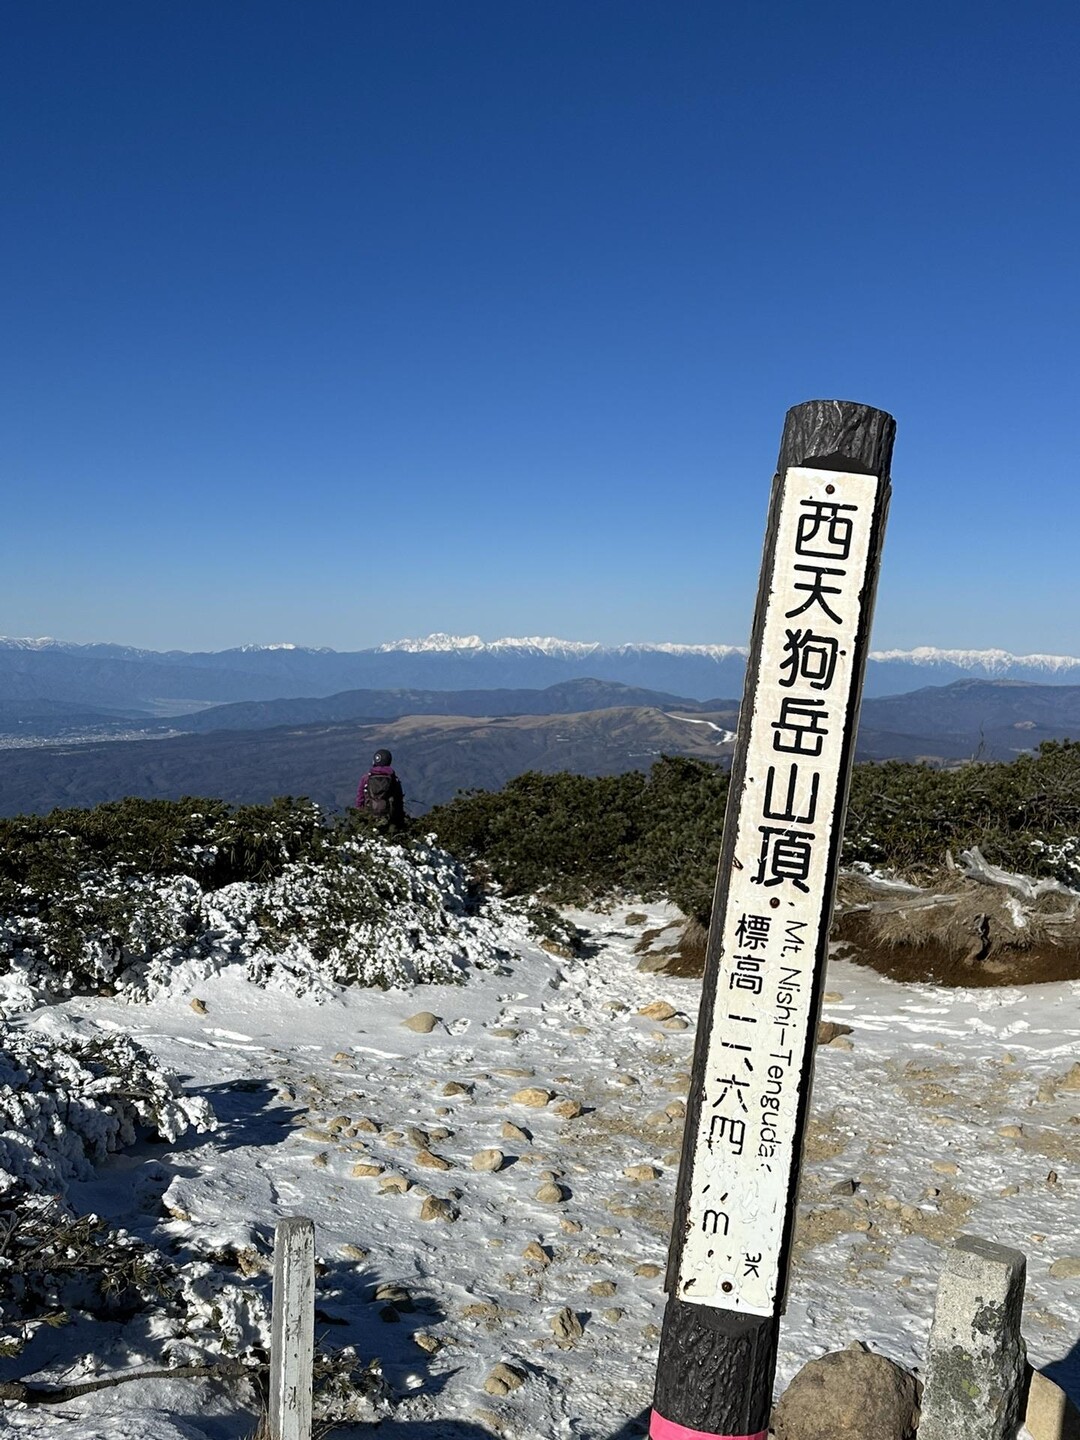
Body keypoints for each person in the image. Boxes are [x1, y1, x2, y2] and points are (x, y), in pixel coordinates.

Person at [356, 748, 406, 829]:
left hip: (369, 816)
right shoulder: (393, 779)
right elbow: (399, 800)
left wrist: (359, 815)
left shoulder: (366, 778)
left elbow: (360, 799)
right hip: (390, 818)